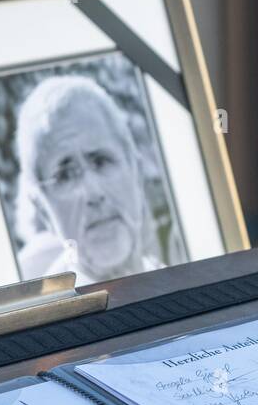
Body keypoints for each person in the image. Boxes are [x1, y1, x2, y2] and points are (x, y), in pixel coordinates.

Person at [12, 75, 168, 286]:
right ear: (42, 209)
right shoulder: (39, 312)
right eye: (64, 175)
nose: (92, 192)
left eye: (102, 161)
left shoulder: (186, 285)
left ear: (136, 170)